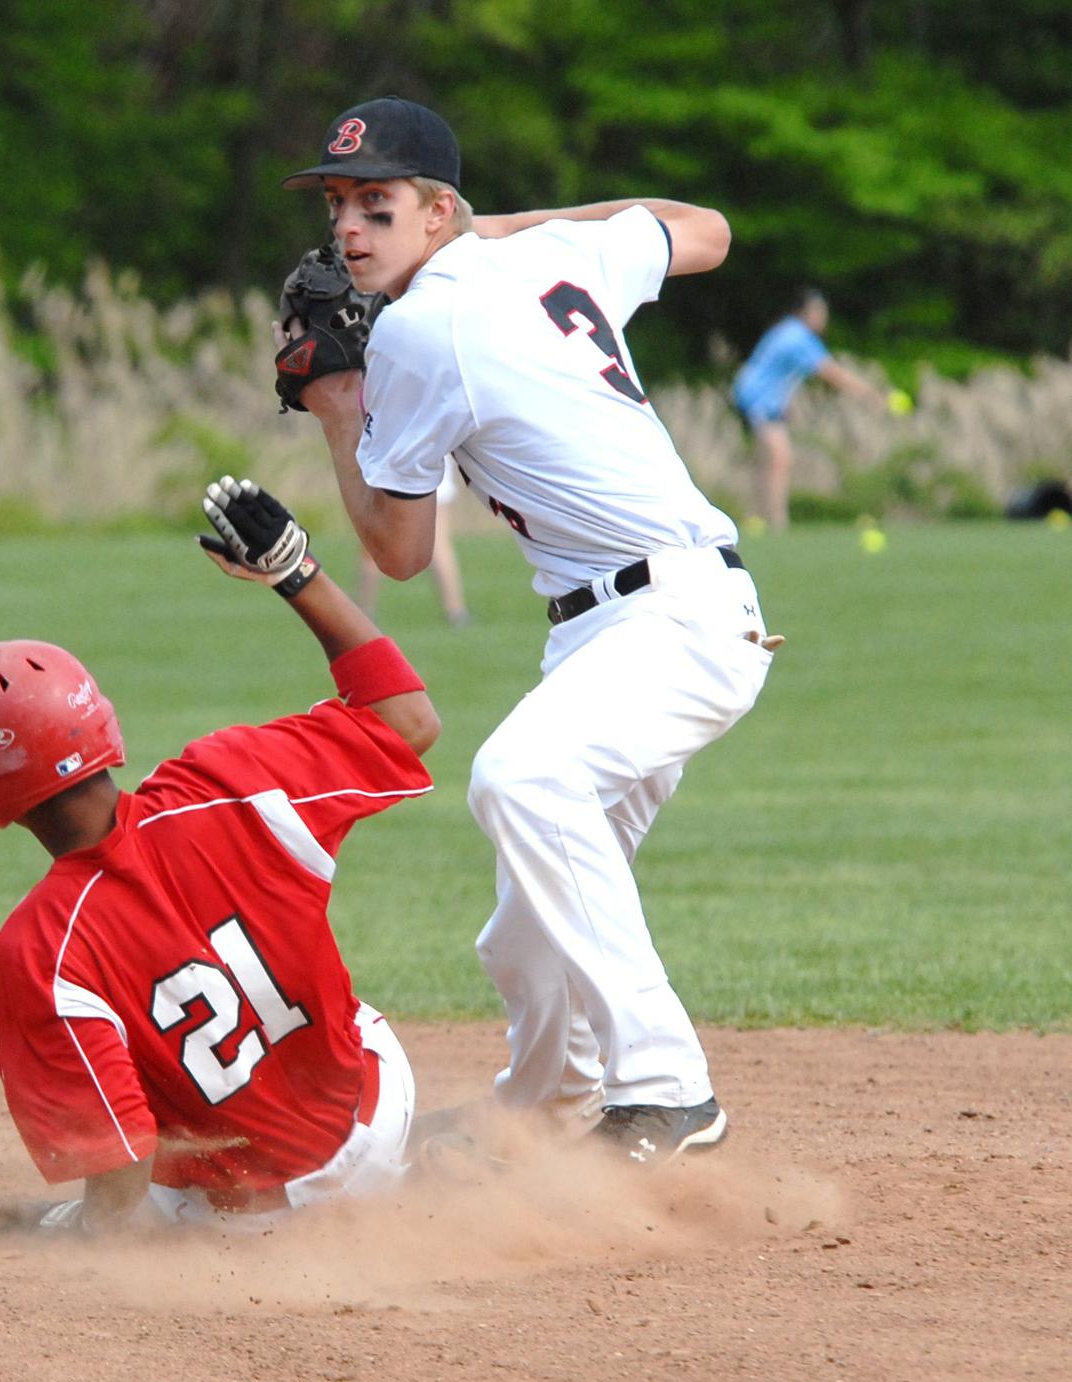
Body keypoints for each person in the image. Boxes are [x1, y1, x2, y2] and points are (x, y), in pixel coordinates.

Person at [280, 95, 783, 1167]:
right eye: (338, 206)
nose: (349, 230)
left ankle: (666, 1088)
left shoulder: (422, 327)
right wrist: (505, 228)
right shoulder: (556, 253)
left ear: (436, 208)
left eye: (378, 203)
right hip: (638, 625)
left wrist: (332, 395)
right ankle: (545, 1106)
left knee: (520, 783)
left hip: (673, 622)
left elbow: (400, 551)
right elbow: (704, 230)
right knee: (528, 912)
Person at [0, 478, 440, 1234]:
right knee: (335, 1015)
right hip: (380, 1107)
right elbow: (409, 719)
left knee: (70, 1221)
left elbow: (118, 1180)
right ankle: (420, 1170)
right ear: (102, 728)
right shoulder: (226, 783)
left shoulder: (42, 949)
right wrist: (294, 572)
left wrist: (75, 1236)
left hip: (265, 1215)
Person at [732, 289, 887, 531]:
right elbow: (832, 373)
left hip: (761, 400)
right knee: (779, 457)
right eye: (819, 312)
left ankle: (762, 517)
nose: (823, 317)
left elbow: (781, 375)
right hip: (757, 400)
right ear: (806, 312)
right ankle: (776, 522)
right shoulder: (797, 336)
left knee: (770, 459)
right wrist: (870, 394)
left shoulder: (787, 331)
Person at [357, 455, 470, 626]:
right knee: (439, 541)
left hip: (393, 457)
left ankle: (363, 610)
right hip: (431, 455)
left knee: (376, 540)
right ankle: (455, 611)